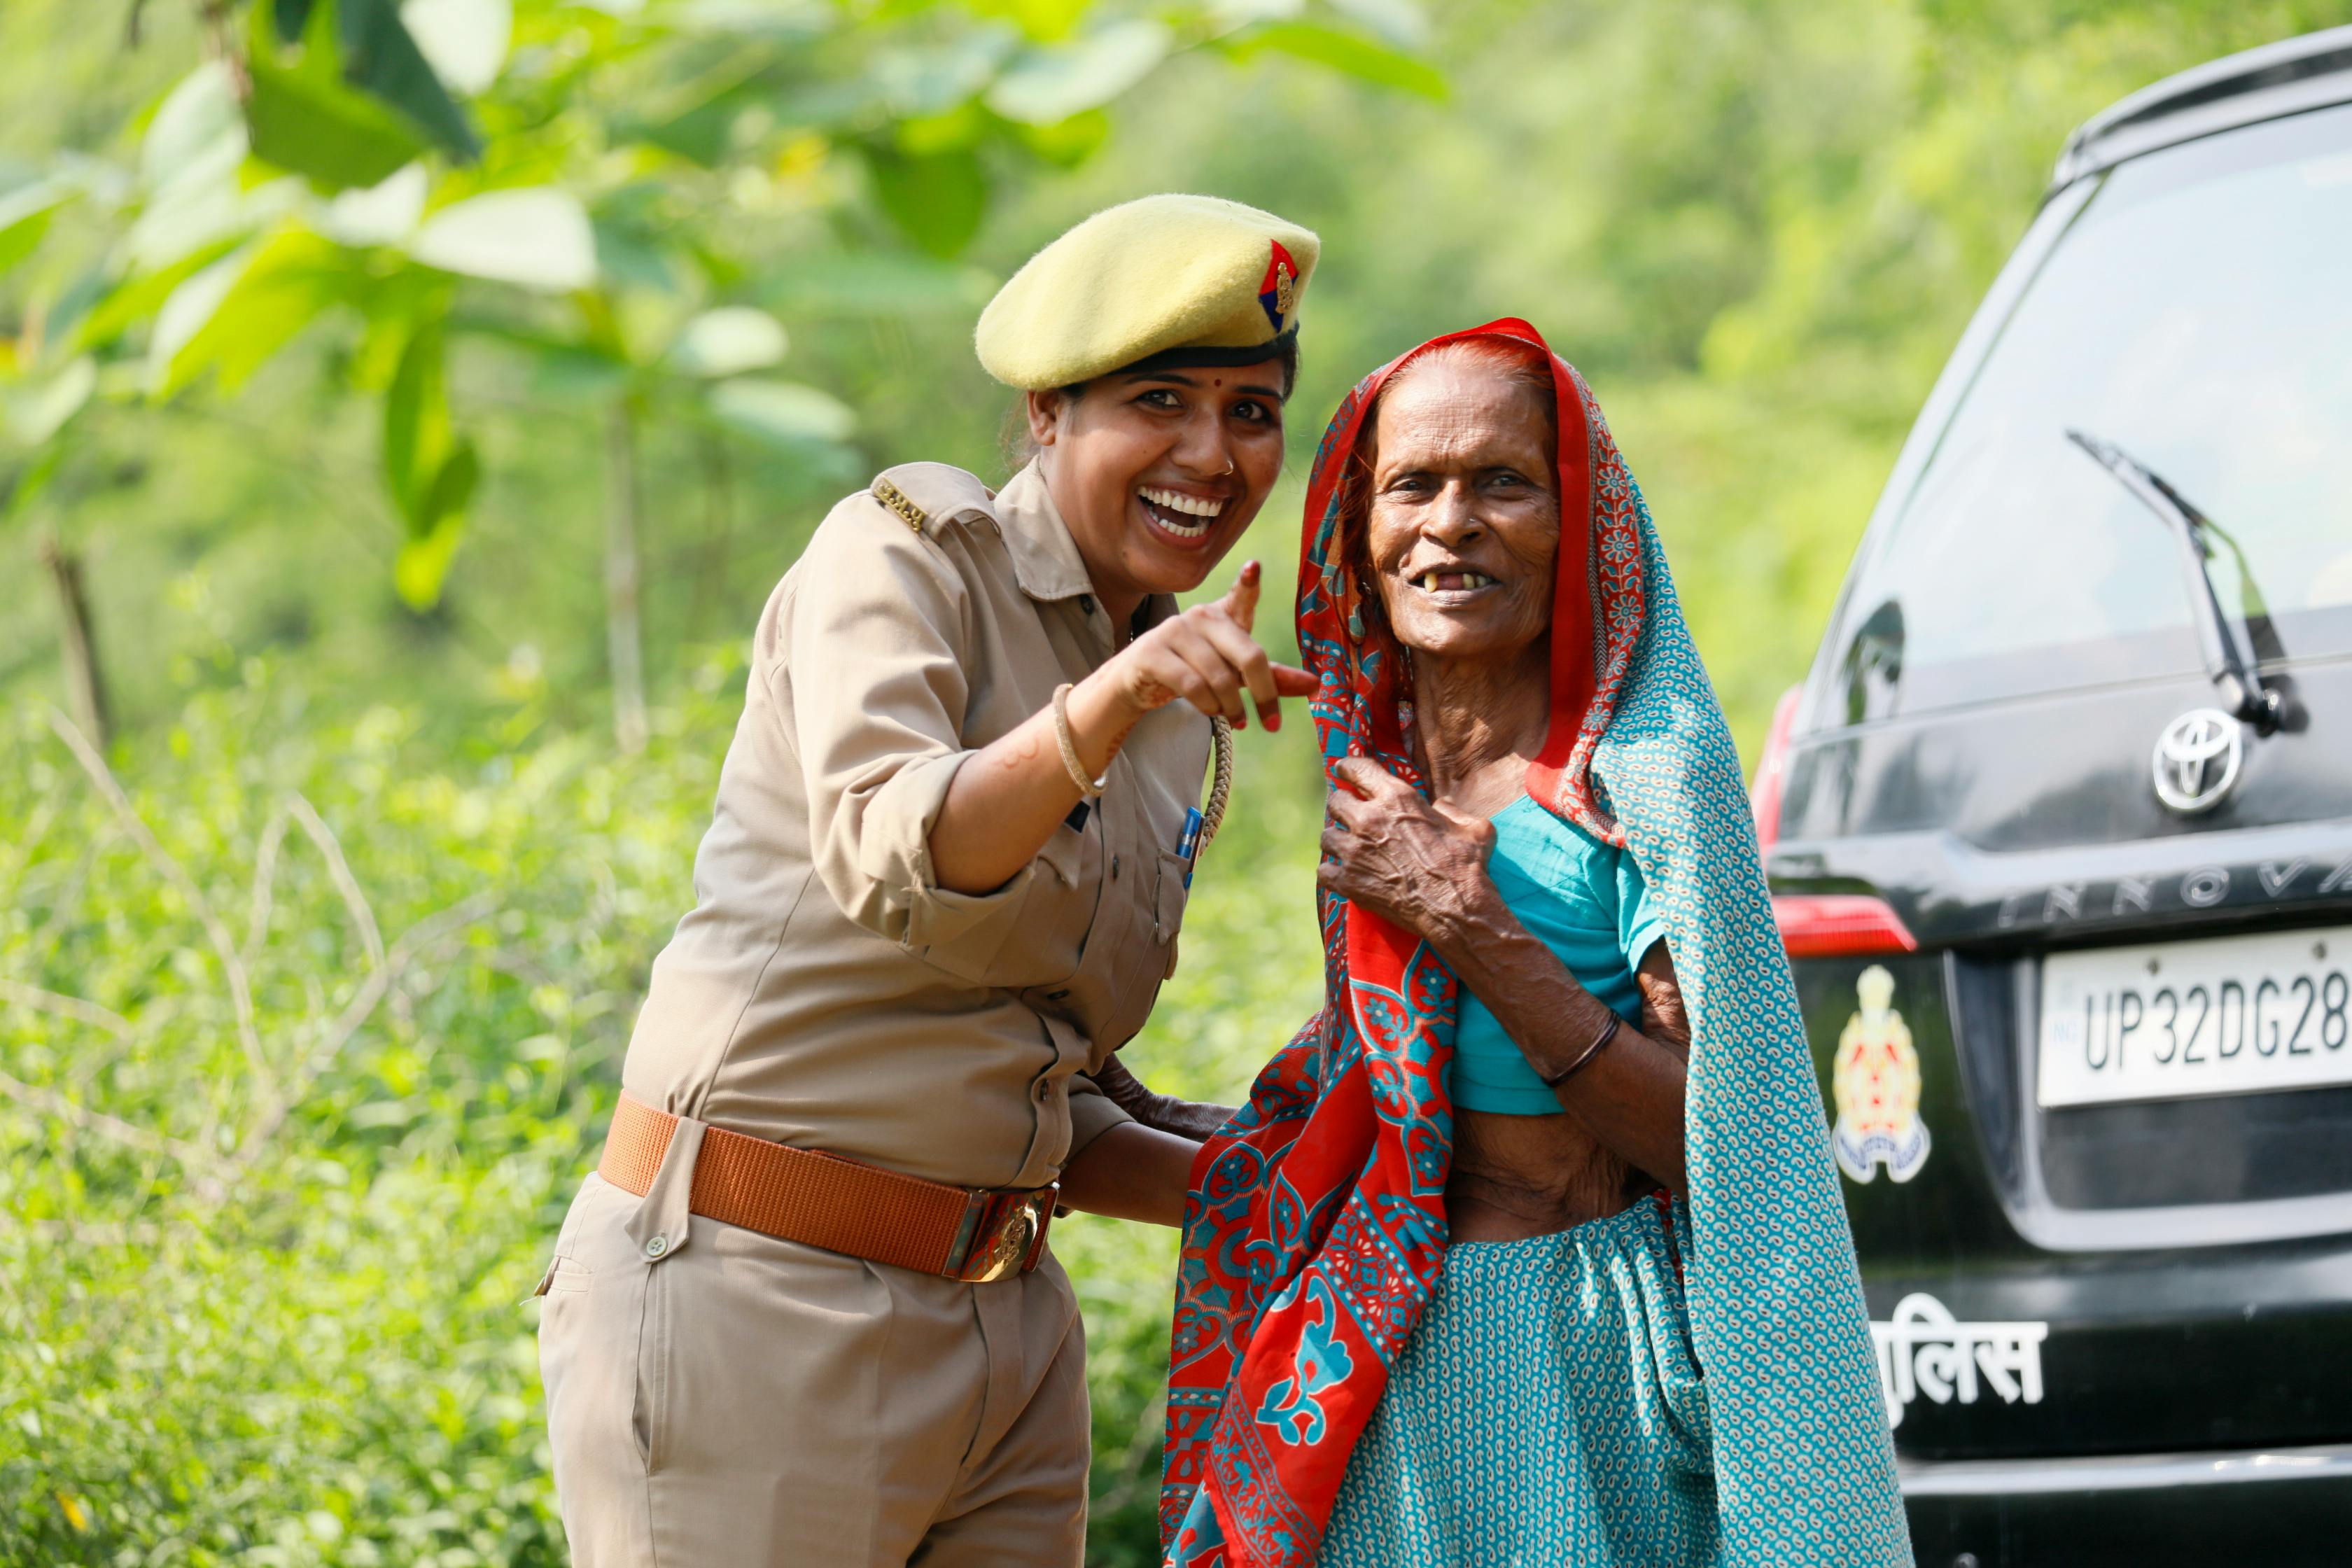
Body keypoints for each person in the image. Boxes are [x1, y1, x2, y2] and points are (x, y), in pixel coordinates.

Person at [535, 193, 1319, 1567]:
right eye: (1159, 400)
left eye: (1251, 411)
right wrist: (1110, 700)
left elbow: (1041, 1079)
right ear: (1046, 413)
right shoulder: (905, 558)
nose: (1212, 452)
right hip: (756, 1299)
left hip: (1007, 1335)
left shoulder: (1172, 704)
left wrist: (1294, 1178)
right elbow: (904, 847)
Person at [1159, 321, 1912, 1567]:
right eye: (1412, 485)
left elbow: (1724, 1144)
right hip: (1385, 1370)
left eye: (1502, 482)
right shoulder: (1379, 786)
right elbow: (1398, 1119)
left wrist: (1472, 925)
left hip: (1575, 1368)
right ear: (1358, 531)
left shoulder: (1635, 778)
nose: (1450, 522)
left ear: (1577, 524)